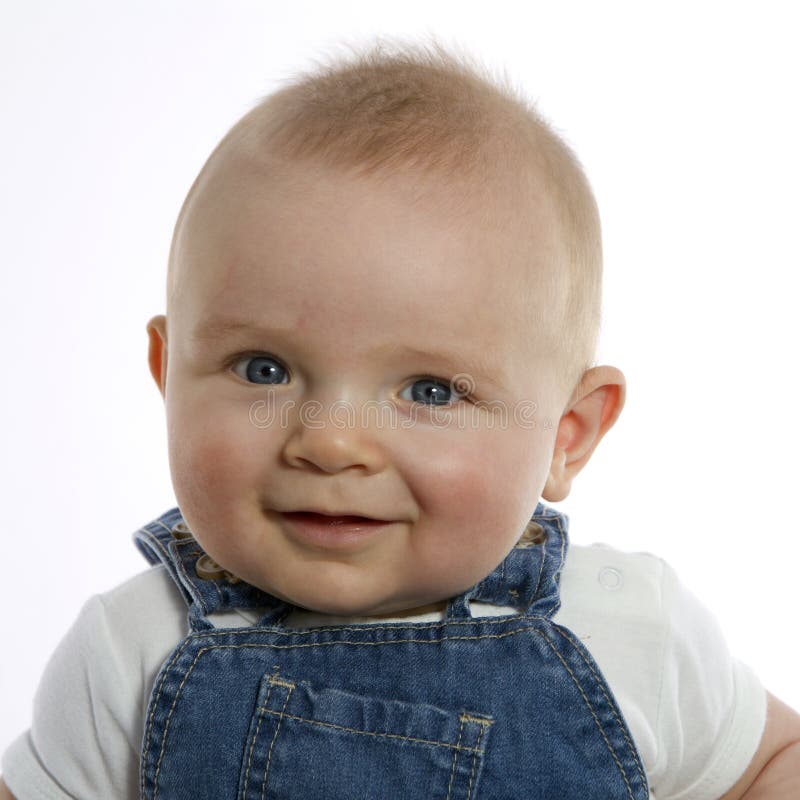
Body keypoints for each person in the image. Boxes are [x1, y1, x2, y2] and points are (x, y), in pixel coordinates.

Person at [2, 37, 798, 800]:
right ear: (168, 375)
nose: (330, 442)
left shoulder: (634, 627)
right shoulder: (129, 649)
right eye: (263, 369)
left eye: (430, 391)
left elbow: (775, 764)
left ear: (568, 433)